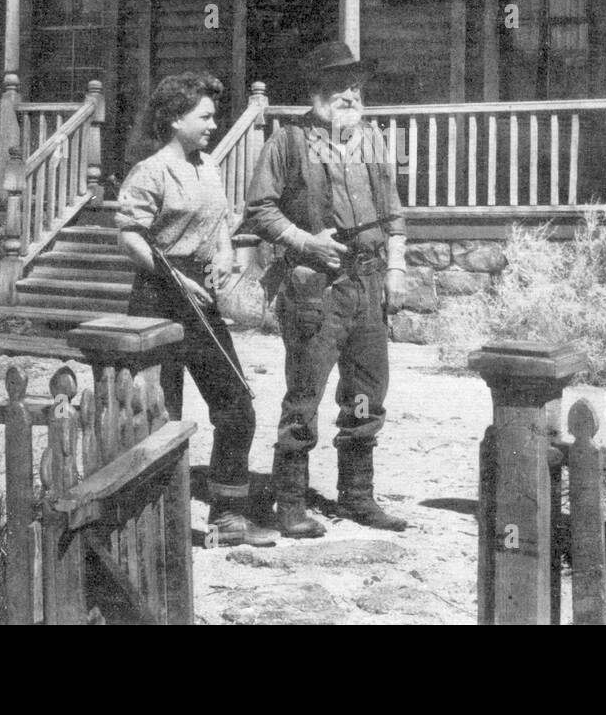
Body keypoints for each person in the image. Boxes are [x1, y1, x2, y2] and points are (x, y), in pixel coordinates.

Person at [241, 40, 409, 538]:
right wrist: (306, 242)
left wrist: (397, 270)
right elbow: (260, 210)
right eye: (338, 87)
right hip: (315, 290)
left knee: (365, 392)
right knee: (305, 394)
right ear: (316, 93)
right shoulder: (288, 143)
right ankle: (289, 502)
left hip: (368, 284)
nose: (349, 96)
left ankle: (357, 496)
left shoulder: (374, 141)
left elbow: (395, 214)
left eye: (355, 86)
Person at [116, 72, 278, 548]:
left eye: (213, 116)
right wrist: (174, 276)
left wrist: (224, 253)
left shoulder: (208, 165)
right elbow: (129, 236)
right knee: (160, 415)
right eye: (203, 116)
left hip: (200, 297)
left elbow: (221, 221)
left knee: (236, 405)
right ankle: (156, 526)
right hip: (157, 297)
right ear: (173, 119)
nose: (212, 124)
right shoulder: (150, 171)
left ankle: (228, 517)